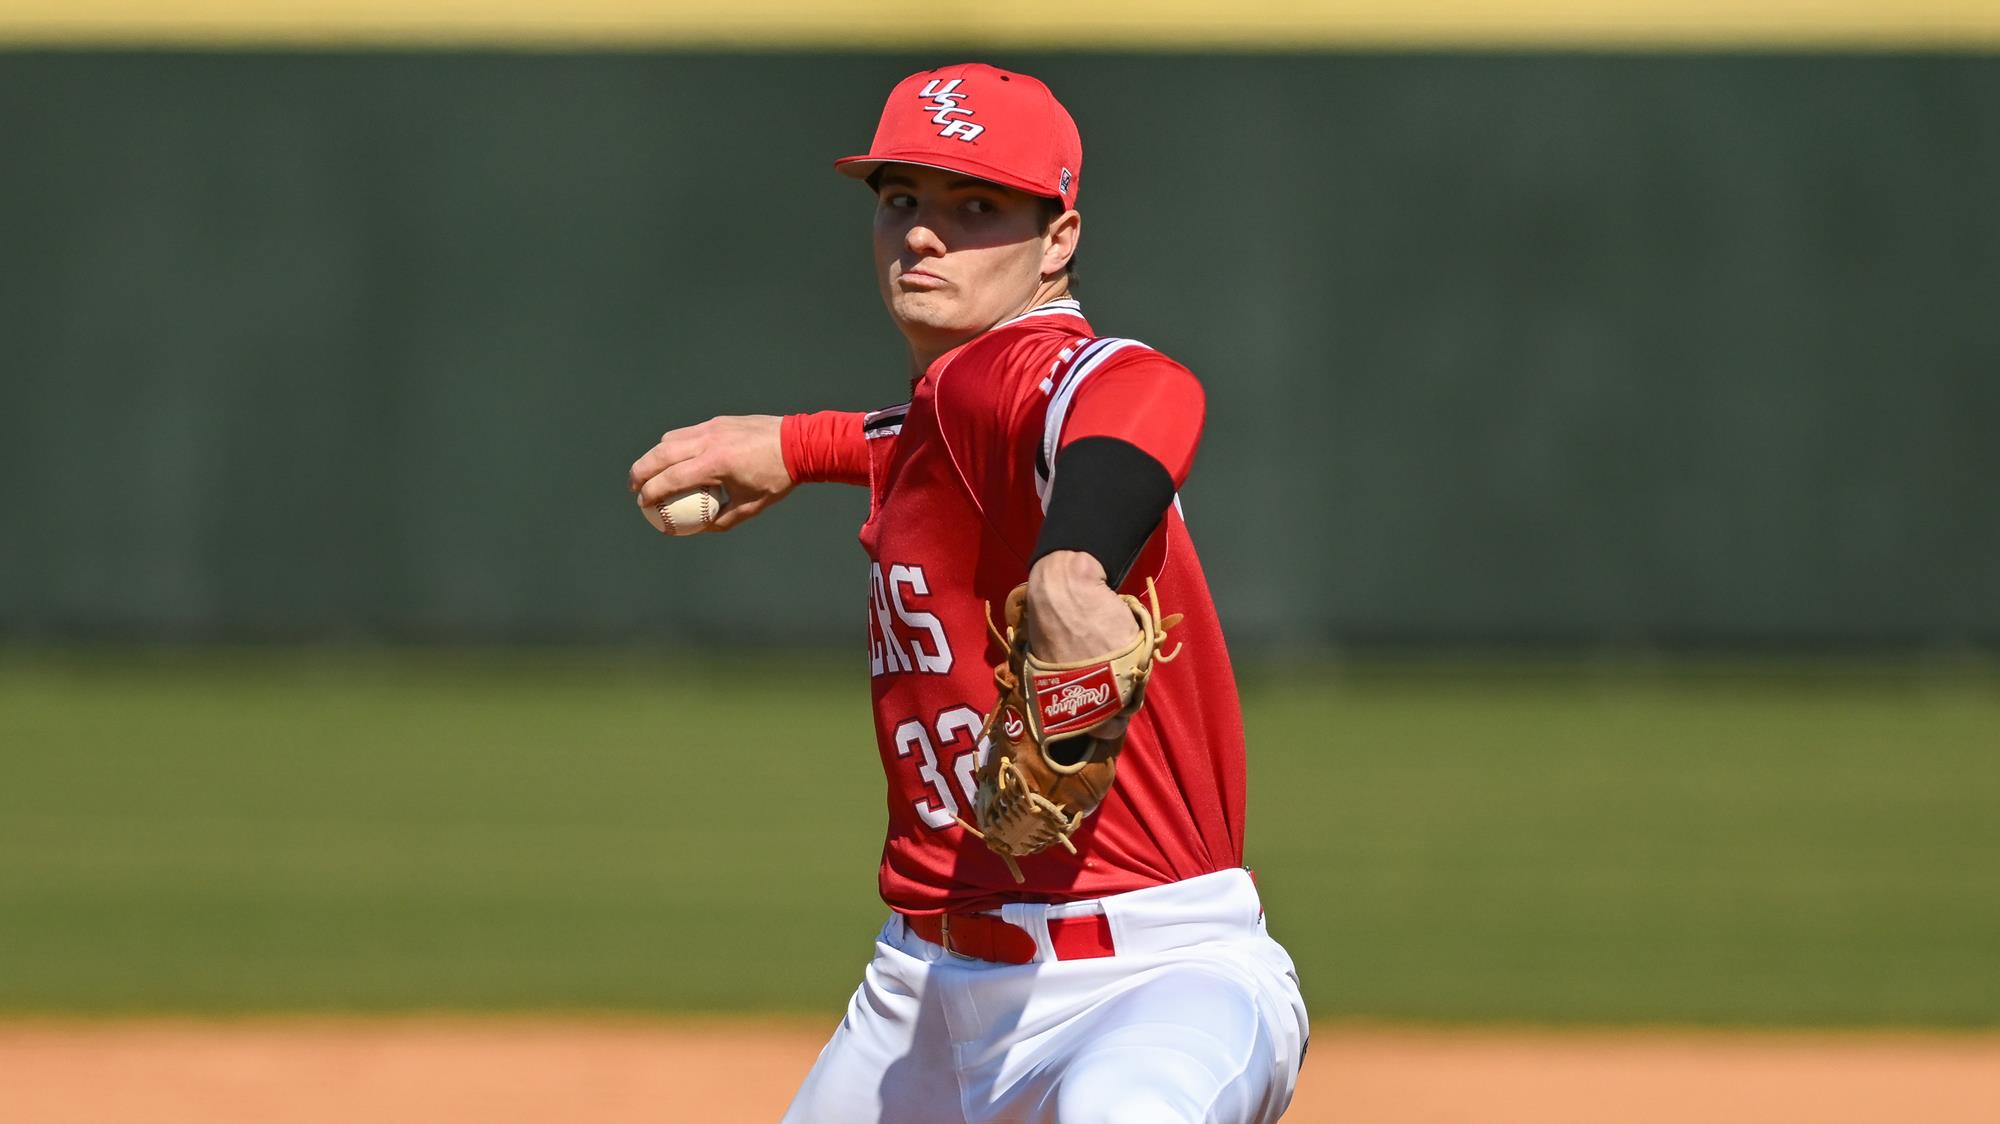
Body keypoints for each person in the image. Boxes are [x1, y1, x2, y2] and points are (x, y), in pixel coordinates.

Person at [628, 62, 1308, 1124]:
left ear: (1058, 238)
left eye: (974, 206)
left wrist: (1070, 562)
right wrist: (796, 445)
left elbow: (1144, 386)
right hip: (920, 991)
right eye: (901, 199)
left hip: (1150, 979)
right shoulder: (950, 406)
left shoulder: (1034, 368)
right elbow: (918, 444)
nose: (923, 234)